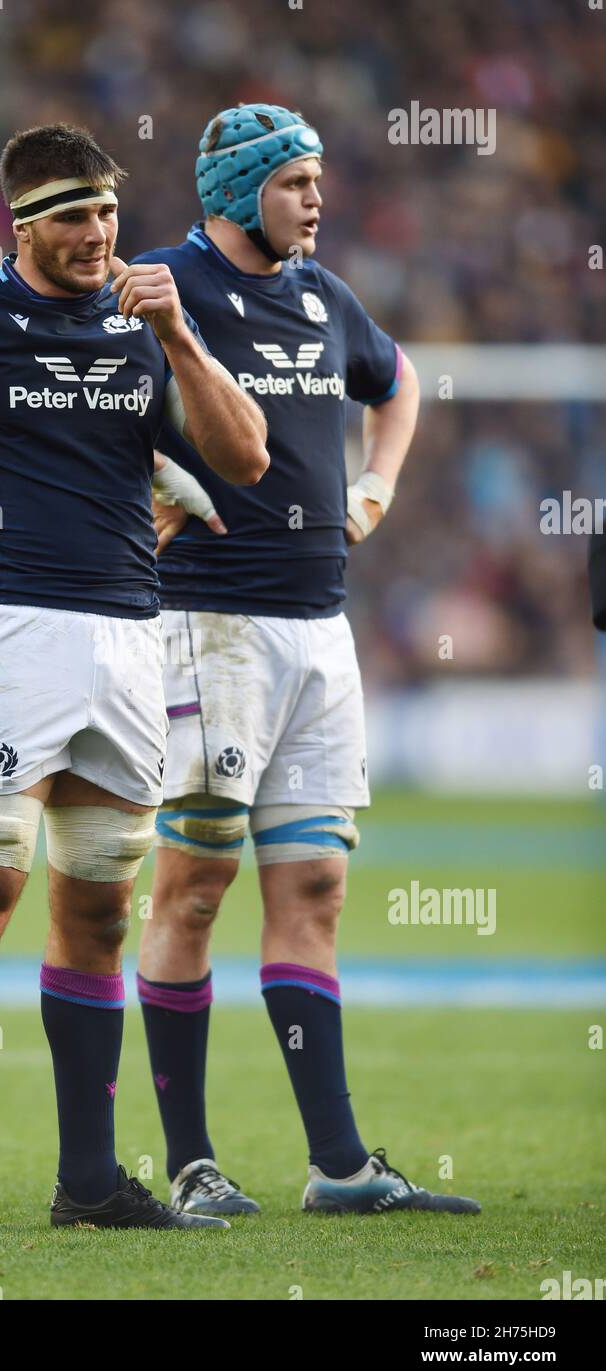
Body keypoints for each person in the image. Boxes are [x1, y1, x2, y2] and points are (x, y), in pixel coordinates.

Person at [0, 122, 267, 1234]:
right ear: (22, 224)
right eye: (74, 215)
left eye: (108, 213)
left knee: (101, 916)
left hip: (129, 643)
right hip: (8, 639)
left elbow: (246, 457)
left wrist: (179, 337)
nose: (98, 234)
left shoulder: (147, 324)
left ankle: (88, 1183)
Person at [133, 104, 480, 1216]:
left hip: (318, 628)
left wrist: (372, 488)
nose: (317, 201)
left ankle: (339, 1168)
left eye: (318, 180)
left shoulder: (325, 297)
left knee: (317, 886)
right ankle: (190, 1165)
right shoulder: (159, 287)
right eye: (294, 182)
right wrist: (136, 493)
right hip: (207, 626)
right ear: (237, 192)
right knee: (193, 888)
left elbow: (400, 382)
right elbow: (79, 398)